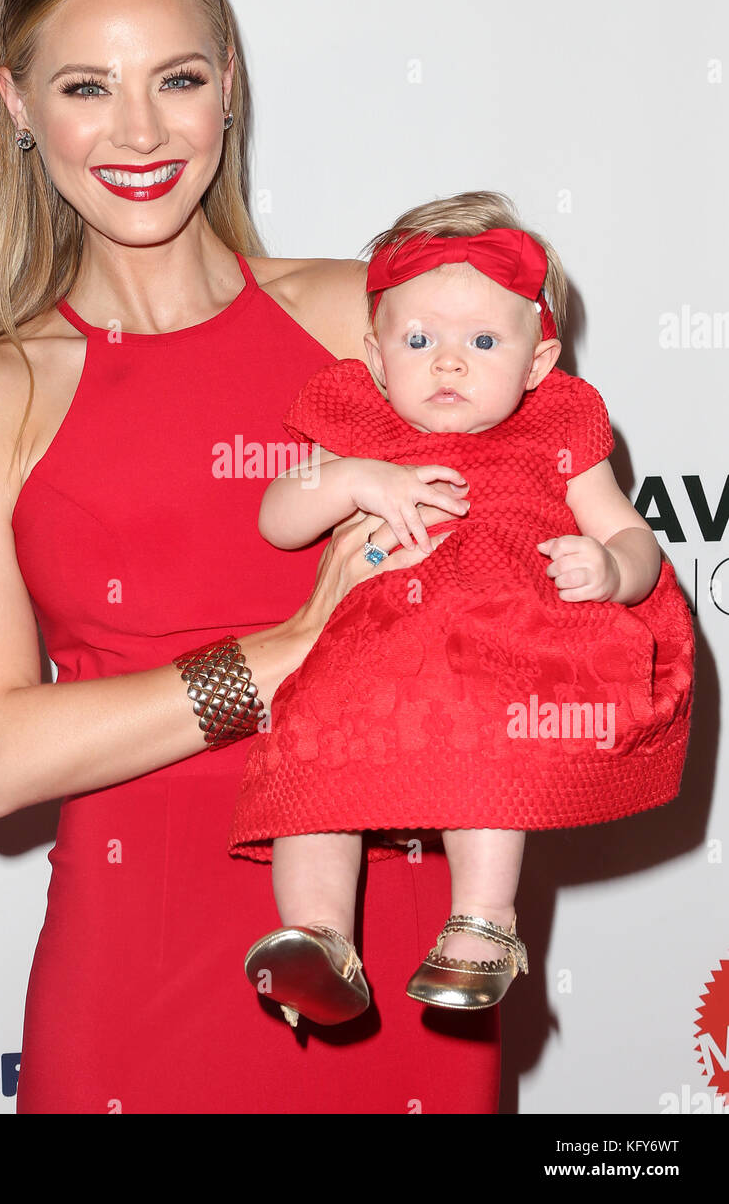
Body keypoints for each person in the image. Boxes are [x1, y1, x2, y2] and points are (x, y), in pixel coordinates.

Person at [0, 0, 499, 1114]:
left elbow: (523, 563)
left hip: (393, 960)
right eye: (87, 86)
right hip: (130, 987)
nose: (138, 133)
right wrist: (282, 656)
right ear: (17, 104)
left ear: (226, 87)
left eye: (175, 79)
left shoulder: (366, 319)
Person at [229, 191, 695, 1029]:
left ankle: (484, 920)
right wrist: (353, 479)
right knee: (309, 751)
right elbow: (275, 518)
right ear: (374, 357)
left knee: (491, 746)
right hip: (368, 655)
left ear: (538, 362)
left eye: (482, 342)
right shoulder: (356, 422)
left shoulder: (560, 426)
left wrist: (611, 568)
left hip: (498, 642)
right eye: (419, 341)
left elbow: (634, 535)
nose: (449, 364)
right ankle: (316, 936)